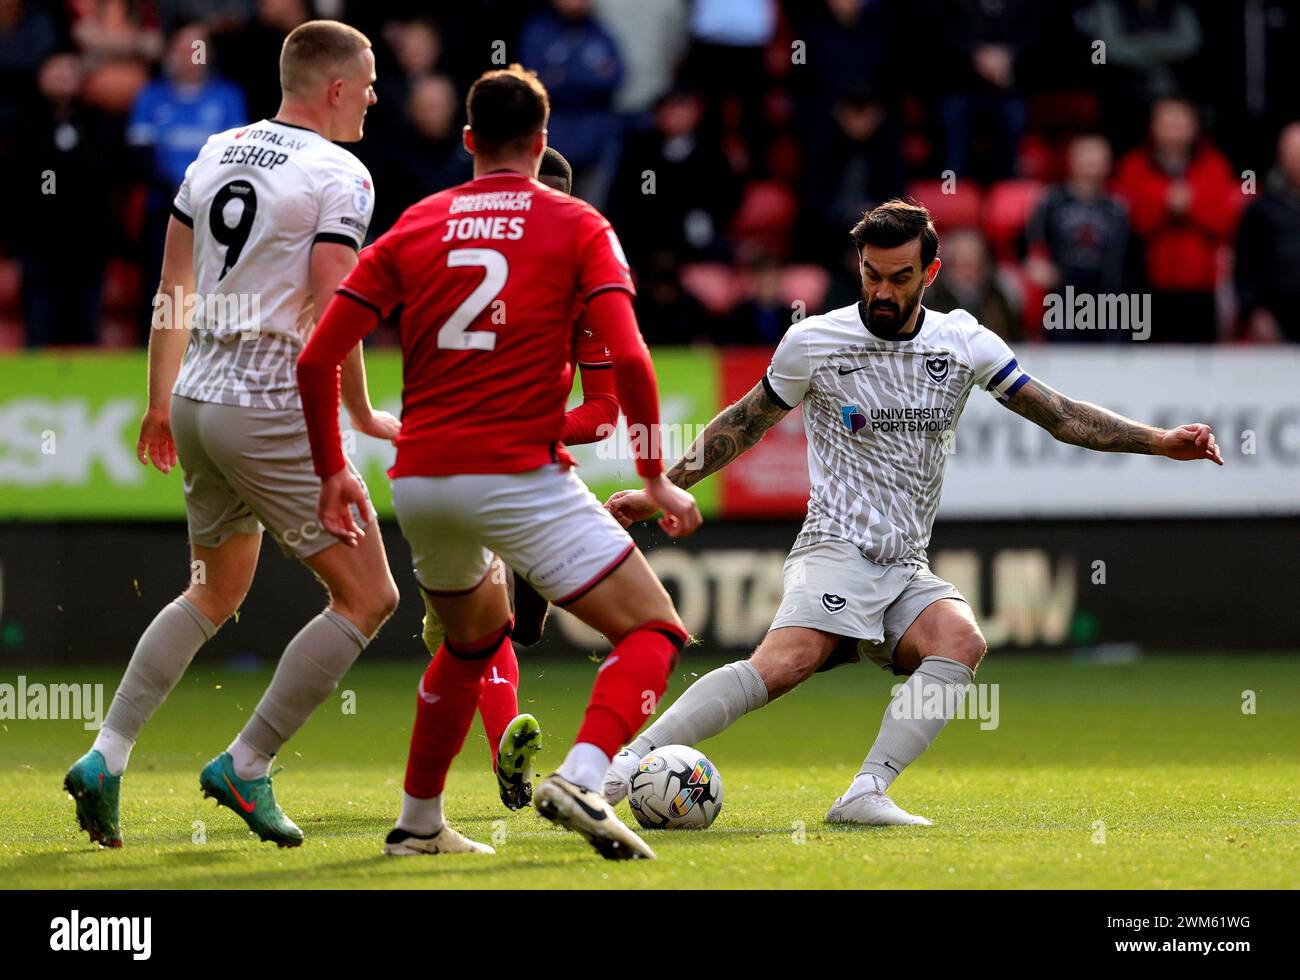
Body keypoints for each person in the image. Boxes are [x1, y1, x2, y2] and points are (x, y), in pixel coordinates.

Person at [603, 199, 1223, 826]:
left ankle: (865, 792)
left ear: (929, 274)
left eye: (899, 277)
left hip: (905, 561)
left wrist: (1159, 440)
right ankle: (629, 761)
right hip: (835, 545)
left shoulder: (963, 341)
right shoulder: (814, 340)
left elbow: (1060, 415)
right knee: (784, 664)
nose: (882, 289)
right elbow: (743, 422)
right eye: (872, 274)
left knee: (960, 640)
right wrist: (663, 487)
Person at [297, 65, 701, 861]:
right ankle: (583, 777)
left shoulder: (417, 223)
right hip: (517, 473)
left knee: (468, 644)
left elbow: (317, 358)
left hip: (420, 479)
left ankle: (418, 823)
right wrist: (653, 477)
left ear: (469, 139)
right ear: (543, 141)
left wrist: (332, 466)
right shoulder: (578, 224)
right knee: (654, 629)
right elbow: (632, 357)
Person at [64, 20, 400, 849]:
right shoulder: (341, 173)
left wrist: (156, 401)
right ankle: (247, 764)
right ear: (333, 88)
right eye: (366, 84)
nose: (374, 96)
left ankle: (105, 754)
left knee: (212, 591)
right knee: (369, 597)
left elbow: (171, 285)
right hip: (273, 406)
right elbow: (332, 313)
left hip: (196, 398)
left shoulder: (216, 149)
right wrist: (348, 431)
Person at [418, 146, 624, 814]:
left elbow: (604, 411)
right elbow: (610, 408)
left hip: (462, 469)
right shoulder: (569, 273)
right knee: (482, 630)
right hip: (496, 471)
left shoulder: (446, 240)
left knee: (475, 633)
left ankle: (428, 805)